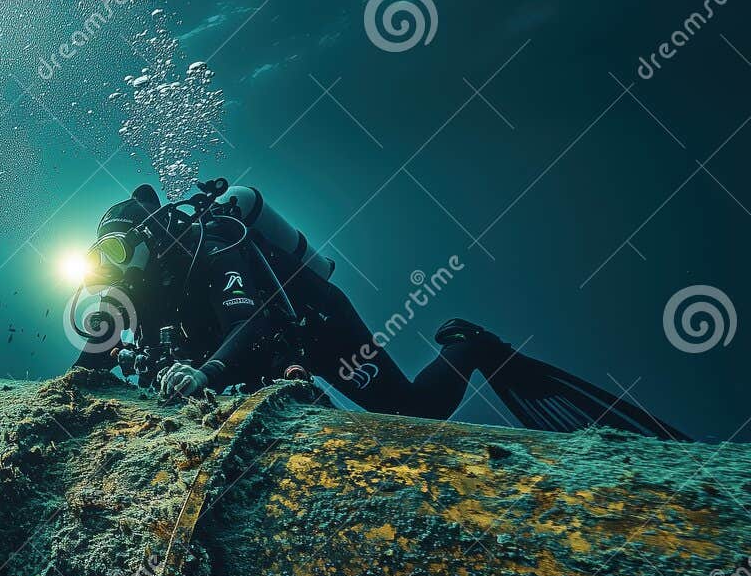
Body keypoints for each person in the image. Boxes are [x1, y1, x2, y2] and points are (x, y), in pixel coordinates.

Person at [69, 181, 689, 440]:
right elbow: (90, 363)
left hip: (317, 329)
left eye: (120, 250)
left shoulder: (219, 245)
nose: (112, 267)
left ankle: (467, 346)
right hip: (251, 368)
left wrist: (203, 375)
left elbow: (251, 322)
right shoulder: (139, 293)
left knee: (411, 415)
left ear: (151, 238)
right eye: (102, 257)